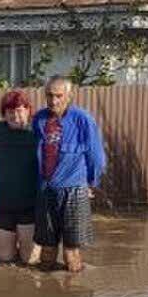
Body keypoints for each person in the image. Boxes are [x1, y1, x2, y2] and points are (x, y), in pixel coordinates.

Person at [32, 77, 106, 274]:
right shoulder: (39, 119)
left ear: (69, 96)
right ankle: (43, 294)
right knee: (46, 249)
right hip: (46, 190)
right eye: (49, 95)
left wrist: (91, 183)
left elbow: (96, 156)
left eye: (59, 96)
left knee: (71, 251)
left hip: (74, 190)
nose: (53, 101)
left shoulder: (83, 119)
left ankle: (73, 294)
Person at [0, 90, 40, 264]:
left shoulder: (37, 130)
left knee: (30, 261)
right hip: (1, 204)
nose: (14, 114)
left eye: (19, 109)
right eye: (9, 111)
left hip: (30, 205)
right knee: (5, 259)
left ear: (28, 110)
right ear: (4, 113)